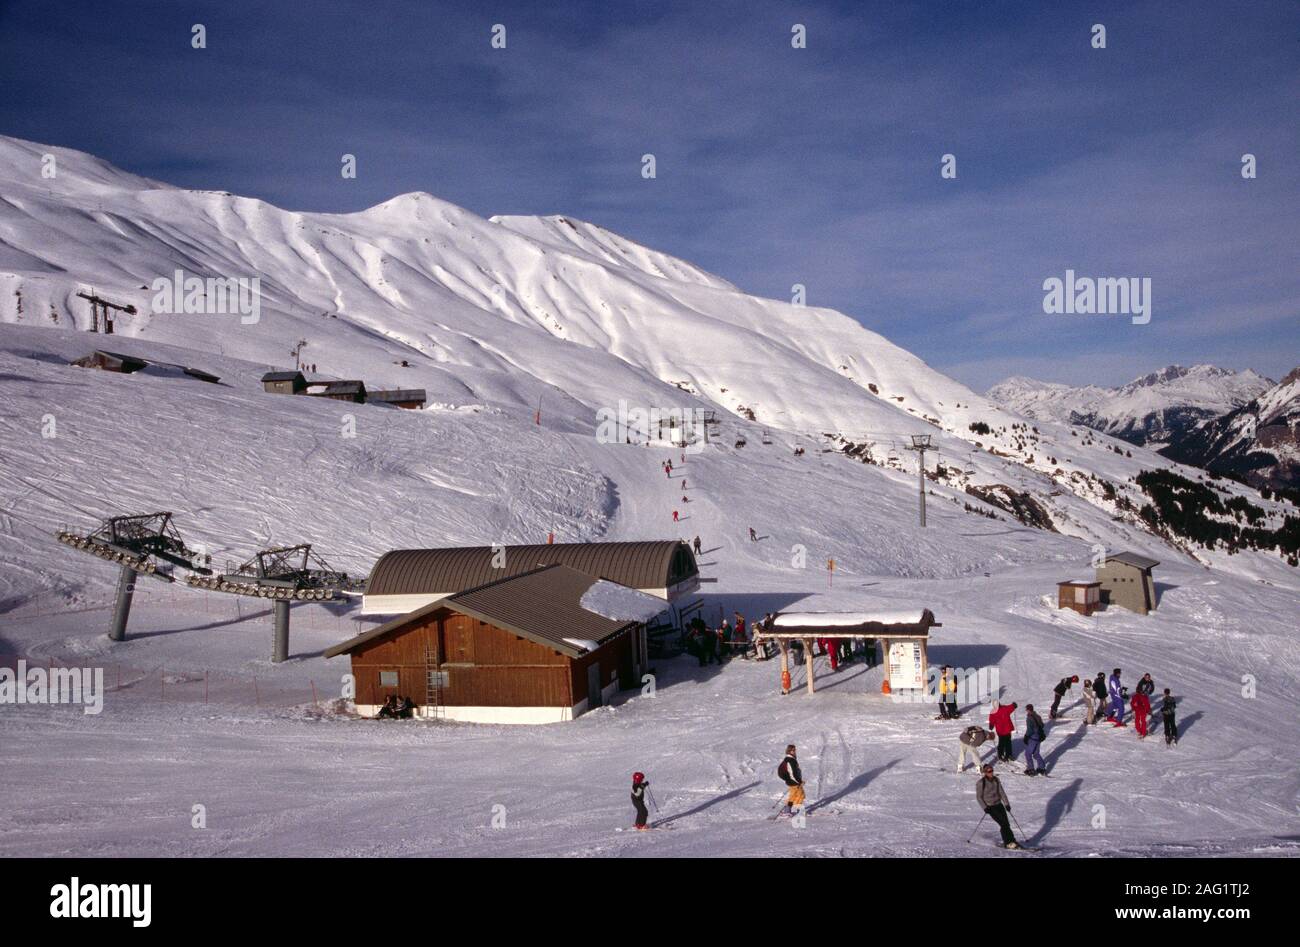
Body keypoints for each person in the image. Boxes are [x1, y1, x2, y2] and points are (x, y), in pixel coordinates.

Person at [976, 763, 1020, 849]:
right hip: (990, 807)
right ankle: (1008, 843)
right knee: (1003, 824)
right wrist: (985, 808)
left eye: (992, 770)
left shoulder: (996, 780)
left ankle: (1012, 840)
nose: (991, 772)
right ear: (985, 772)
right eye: (989, 771)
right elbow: (979, 797)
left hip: (999, 805)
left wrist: (1007, 804)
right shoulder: (981, 783)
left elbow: (1002, 793)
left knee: (1006, 824)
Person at [777, 744, 805, 816]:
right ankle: (796, 811)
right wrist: (799, 781)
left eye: (795, 750)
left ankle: (789, 810)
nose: (794, 751)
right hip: (794, 782)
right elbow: (792, 773)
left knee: (794, 796)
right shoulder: (790, 760)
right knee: (800, 795)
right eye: (793, 750)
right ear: (789, 751)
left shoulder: (790, 759)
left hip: (792, 781)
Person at [1023, 703, 1046, 775]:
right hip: (1039, 737)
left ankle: (1031, 769)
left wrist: (1026, 736)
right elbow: (1042, 725)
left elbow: (1030, 730)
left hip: (1033, 738)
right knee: (1036, 754)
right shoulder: (1038, 716)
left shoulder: (1029, 718)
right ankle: (1041, 768)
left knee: (1028, 754)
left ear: (1028, 710)